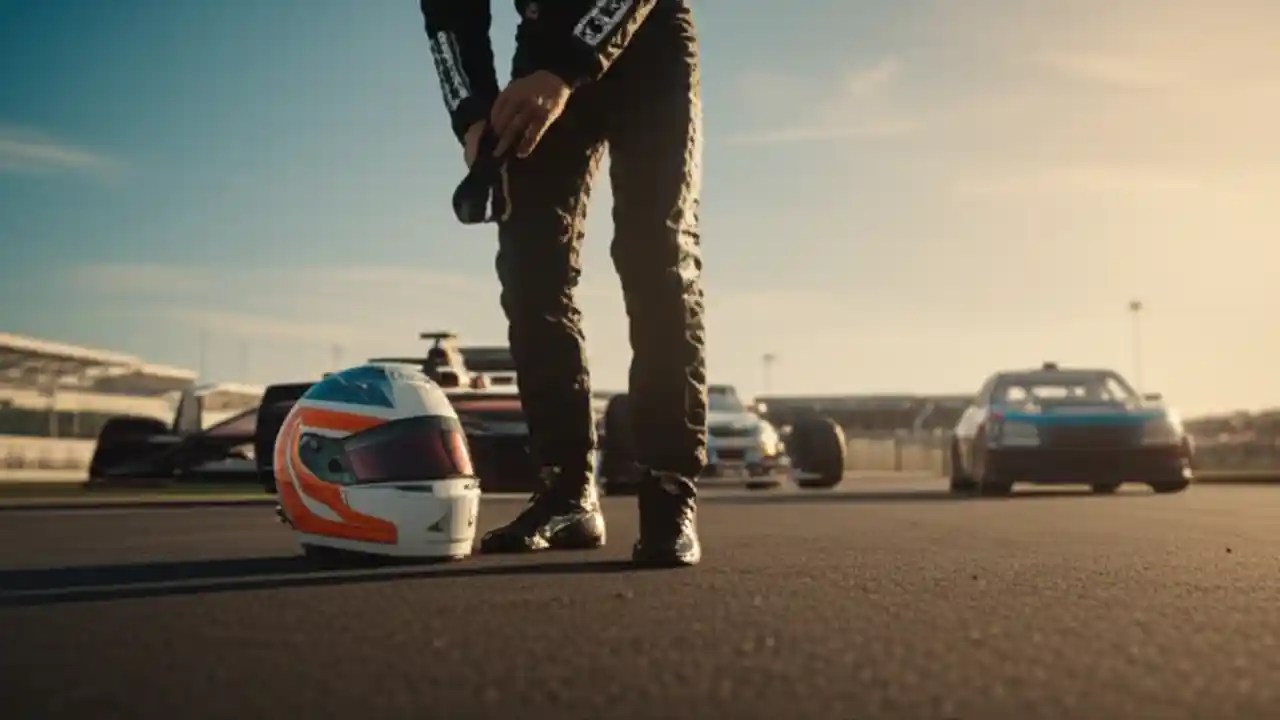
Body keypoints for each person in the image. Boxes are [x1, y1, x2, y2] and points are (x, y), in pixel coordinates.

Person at [418, 0, 708, 566]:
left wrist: (567, 69)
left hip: (649, 40)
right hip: (543, 50)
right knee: (530, 270)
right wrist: (473, 115)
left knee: (657, 256)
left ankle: (670, 488)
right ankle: (566, 492)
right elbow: (451, 12)